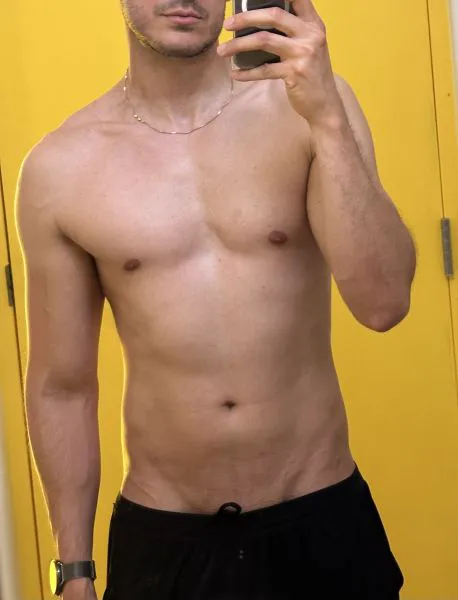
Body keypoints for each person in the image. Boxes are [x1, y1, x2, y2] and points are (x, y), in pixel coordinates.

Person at [17, 0, 416, 597]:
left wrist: (328, 118)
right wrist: (72, 571)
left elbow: (384, 304)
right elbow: (62, 388)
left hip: (320, 517)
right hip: (166, 541)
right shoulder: (61, 168)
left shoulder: (307, 108)